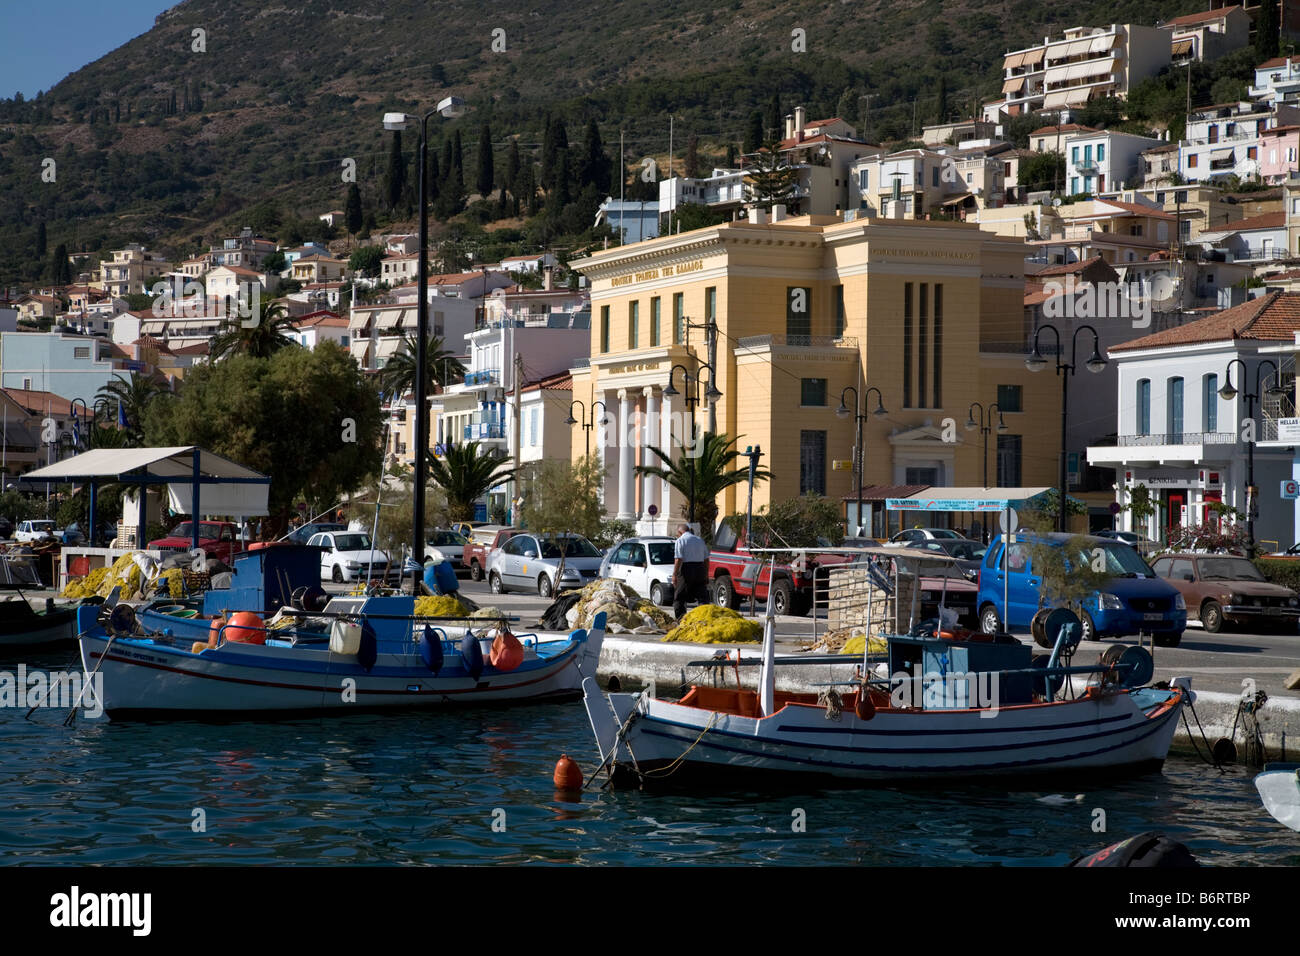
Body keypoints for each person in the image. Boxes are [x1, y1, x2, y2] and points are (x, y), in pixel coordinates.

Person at [672, 522, 710, 620]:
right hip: (700, 568)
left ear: (680, 532)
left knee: (679, 596)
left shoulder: (680, 541)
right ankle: (704, 618)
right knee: (702, 596)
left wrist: (674, 574)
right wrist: (706, 574)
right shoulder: (700, 540)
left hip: (686, 569)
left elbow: (678, 559)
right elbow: (706, 559)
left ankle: (681, 619)